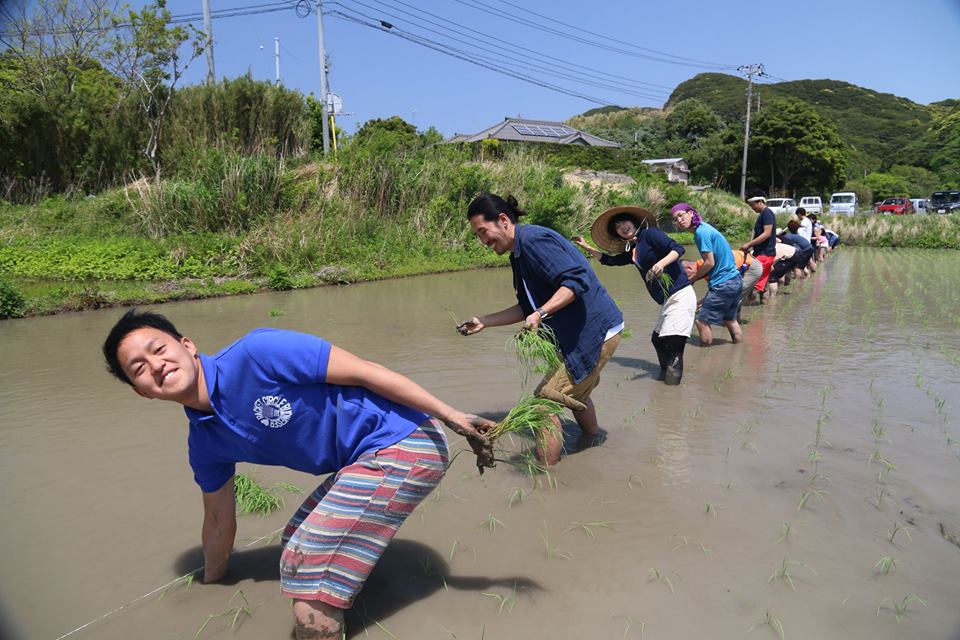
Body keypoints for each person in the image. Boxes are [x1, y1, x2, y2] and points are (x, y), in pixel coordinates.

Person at [102, 309, 495, 640]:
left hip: (407, 439)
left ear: (186, 345)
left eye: (159, 349)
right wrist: (211, 583)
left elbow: (366, 372)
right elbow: (219, 521)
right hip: (365, 458)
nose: (156, 366)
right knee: (294, 539)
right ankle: (348, 595)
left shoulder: (257, 354)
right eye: (139, 368)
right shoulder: (204, 444)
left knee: (304, 560)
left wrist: (453, 415)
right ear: (142, 392)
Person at [458, 193, 623, 465]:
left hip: (593, 332)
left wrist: (541, 313)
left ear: (503, 220)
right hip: (582, 333)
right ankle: (593, 442)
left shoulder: (533, 241)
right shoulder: (519, 254)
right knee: (574, 393)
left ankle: (546, 476)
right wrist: (484, 321)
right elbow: (527, 307)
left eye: (483, 232)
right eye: (478, 235)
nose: (483, 241)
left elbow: (576, 281)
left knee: (544, 405)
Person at [572, 205, 694, 385]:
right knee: (658, 340)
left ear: (634, 222)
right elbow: (609, 260)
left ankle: (671, 390)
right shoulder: (634, 250)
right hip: (668, 300)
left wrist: (661, 264)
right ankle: (664, 379)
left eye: (624, 222)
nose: (622, 227)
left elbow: (677, 248)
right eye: (617, 227)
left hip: (680, 294)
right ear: (617, 235)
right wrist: (586, 246)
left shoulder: (650, 234)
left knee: (673, 347)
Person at [671, 203, 743, 346]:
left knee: (701, 321)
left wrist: (693, 279)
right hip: (735, 280)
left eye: (681, 215)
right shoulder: (704, 228)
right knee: (730, 320)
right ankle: (739, 350)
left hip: (724, 282)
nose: (679, 220)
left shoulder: (701, 233)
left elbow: (709, 263)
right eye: (675, 219)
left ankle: (706, 355)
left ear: (691, 213)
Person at [681, 247, 761, 319]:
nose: (688, 279)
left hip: (750, 268)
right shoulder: (705, 270)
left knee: (731, 299)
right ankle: (733, 323)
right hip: (744, 267)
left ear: (689, 268)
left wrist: (700, 304)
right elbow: (715, 291)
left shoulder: (708, 265)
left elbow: (722, 290)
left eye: (686, 275)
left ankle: (732, 323)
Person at [740, 191, 777, 303]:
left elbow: (767, 233)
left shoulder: (767, 213)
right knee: (762, 282)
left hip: (765, 254)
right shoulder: (763, 214)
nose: (752, 208)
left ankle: (744, 307)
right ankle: (766, 307)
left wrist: (749, 244)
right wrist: (752, 247)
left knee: (751, 283)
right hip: (762, 252)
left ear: (760, 202)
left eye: (753, 205)